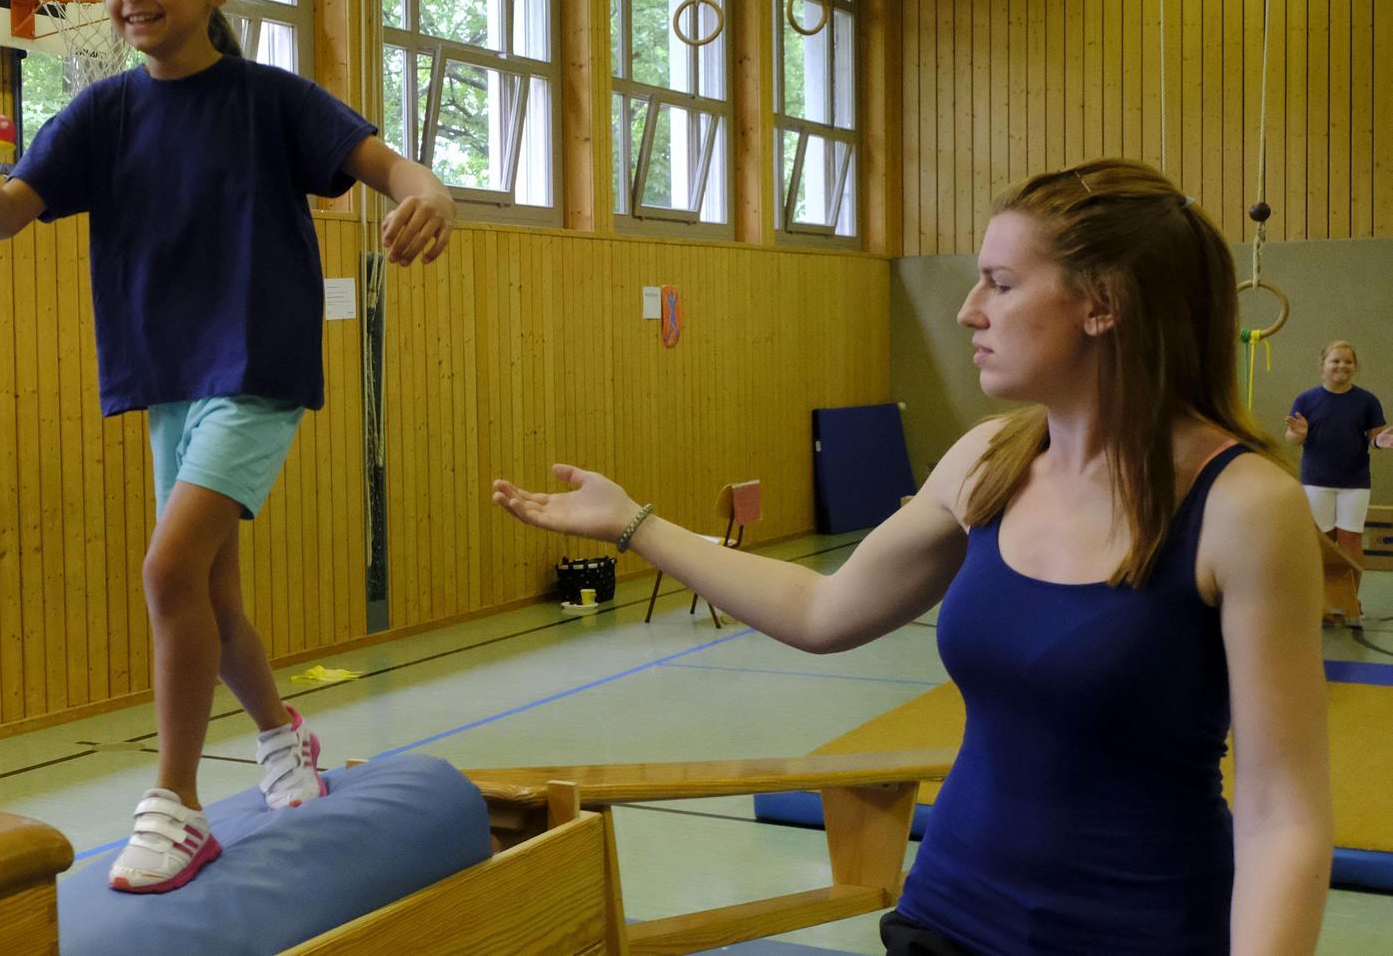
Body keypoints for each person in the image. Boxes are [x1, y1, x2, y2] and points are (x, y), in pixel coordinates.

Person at [494, 160, 1331, 955]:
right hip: (947, 917)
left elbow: (1281, 811)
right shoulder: (987, 462)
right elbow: (823, 612)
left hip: (1140, 931)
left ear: (1102, 303)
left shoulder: (1242, 506)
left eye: (1001, 285)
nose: (970, 310)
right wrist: (635, 523)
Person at [0, 0, 456, 893]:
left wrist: (430, 191)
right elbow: (6, 218)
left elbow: (389, 167)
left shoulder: (269, 99)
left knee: (167, 571)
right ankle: (282, 737)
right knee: (210, 593)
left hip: (255, 368)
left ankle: (175, 804)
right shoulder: (101, 111)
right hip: (167, 380)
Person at [1285, 340, 1392, 575]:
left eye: (1348, 361)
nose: (1342, 366)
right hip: (1315, 481)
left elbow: (1376, 436)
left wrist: (1380, 441)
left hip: (1355, 484)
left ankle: (1352, 604)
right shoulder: (1306, 400)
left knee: (1350, 542)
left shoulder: (1367, 401)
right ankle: (1324, 602)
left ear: (1355, 367)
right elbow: (1291, 439)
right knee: (1322, 544)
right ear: (1323, 365)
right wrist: (1298, 434)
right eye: (1335, 361)